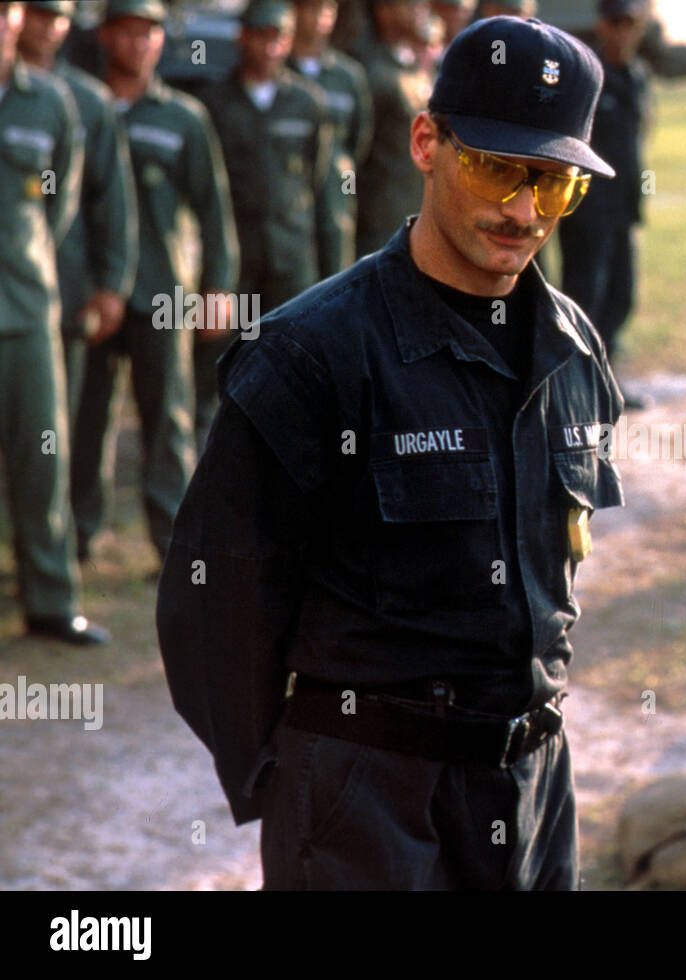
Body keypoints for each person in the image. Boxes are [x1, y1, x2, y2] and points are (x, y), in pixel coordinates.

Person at [157, 15, 623, 891]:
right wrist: (294, 778)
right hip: (363, 805)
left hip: (528, 794)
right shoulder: (313, 354)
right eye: (497, 170)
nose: (524, 213)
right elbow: (211, 604)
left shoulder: (574, 351)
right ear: (426, 142)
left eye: (555, 186)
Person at [71, 0, 238, 566]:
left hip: (165, 291)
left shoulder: (183, 117)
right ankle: (78, 534)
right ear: (106, 36)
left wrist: (219, 287)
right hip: (92, 290)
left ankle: (174, 540)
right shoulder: (82, 108)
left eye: (150, 33)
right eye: (128, 32)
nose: (139, 43)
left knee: (167, 418)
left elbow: (214, 212)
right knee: (85, 417)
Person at [0, 0, 107, 645]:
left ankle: (50, 601)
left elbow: (58, 204)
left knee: (43, 458)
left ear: (15, 22)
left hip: (25, 310)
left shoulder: (50, 105)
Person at [196, 0, 338, 449]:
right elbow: (206, 190)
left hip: (291, 256)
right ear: (243, 37)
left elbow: (319, 187)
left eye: (279, 35)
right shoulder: (214, 103)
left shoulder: (307, 102)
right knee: (223, 365)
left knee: (295, 367)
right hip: (235, 259)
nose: (270, 45)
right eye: (260, 35)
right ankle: (218, 459)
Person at [18, 0, 137, 424]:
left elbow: (112, 200)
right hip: (11, 282)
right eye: (37, 15)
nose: (47, 27)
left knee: (56, 426)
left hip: (65, 286)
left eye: (57, 17)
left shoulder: (87, 100)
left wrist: (112, 284)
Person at [558, 0, 649, 402]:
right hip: (588, 208)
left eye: (630, 22)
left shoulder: (638, 75)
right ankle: (572, 387)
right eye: (616, 22)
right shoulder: (586, 76)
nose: (623, 31)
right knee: (584, 297)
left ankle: (605, 380)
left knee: (621, 294)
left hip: (624, 208)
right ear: (601, 24)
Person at [288, 0, 373, 275]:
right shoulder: (280, 71)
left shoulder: (348, 76)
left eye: (327, 10)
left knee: (337, 270)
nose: (319, 18)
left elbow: (359, 141)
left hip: (337, 190)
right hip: (289, 190)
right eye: (310, 8)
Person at [350, 0, 435, 256]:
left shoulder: (413, 66)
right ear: (384, 11)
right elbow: (355, 155)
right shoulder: (367, 70)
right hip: (379, 225)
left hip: (417, 215)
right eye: (410, 4)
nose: (420, 8)